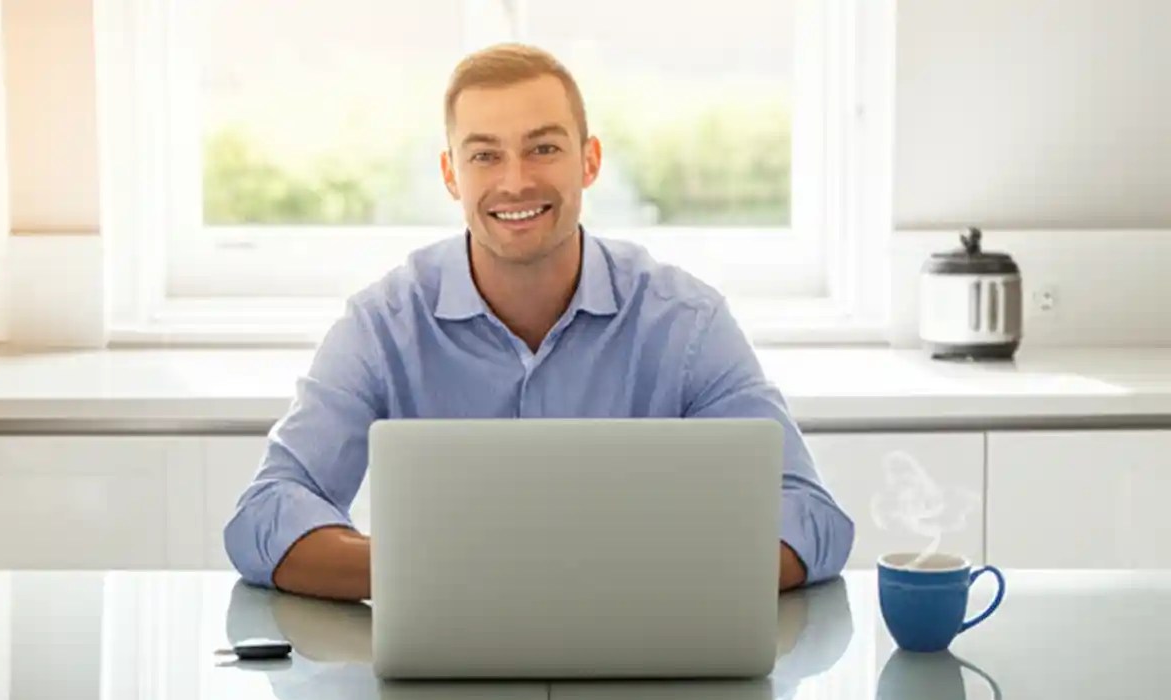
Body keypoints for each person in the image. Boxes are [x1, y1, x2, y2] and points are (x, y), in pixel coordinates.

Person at [224, 43, 854, 600]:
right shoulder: (383, 326)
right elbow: (265, 515)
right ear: (451, 175)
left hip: (639, 660)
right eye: (484, 156)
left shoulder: (685, 324)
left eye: (544, 148)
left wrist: (628, 574)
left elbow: (809, 518)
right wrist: (435, 571)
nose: (516, 181)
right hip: (444, 663)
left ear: (590, 160)